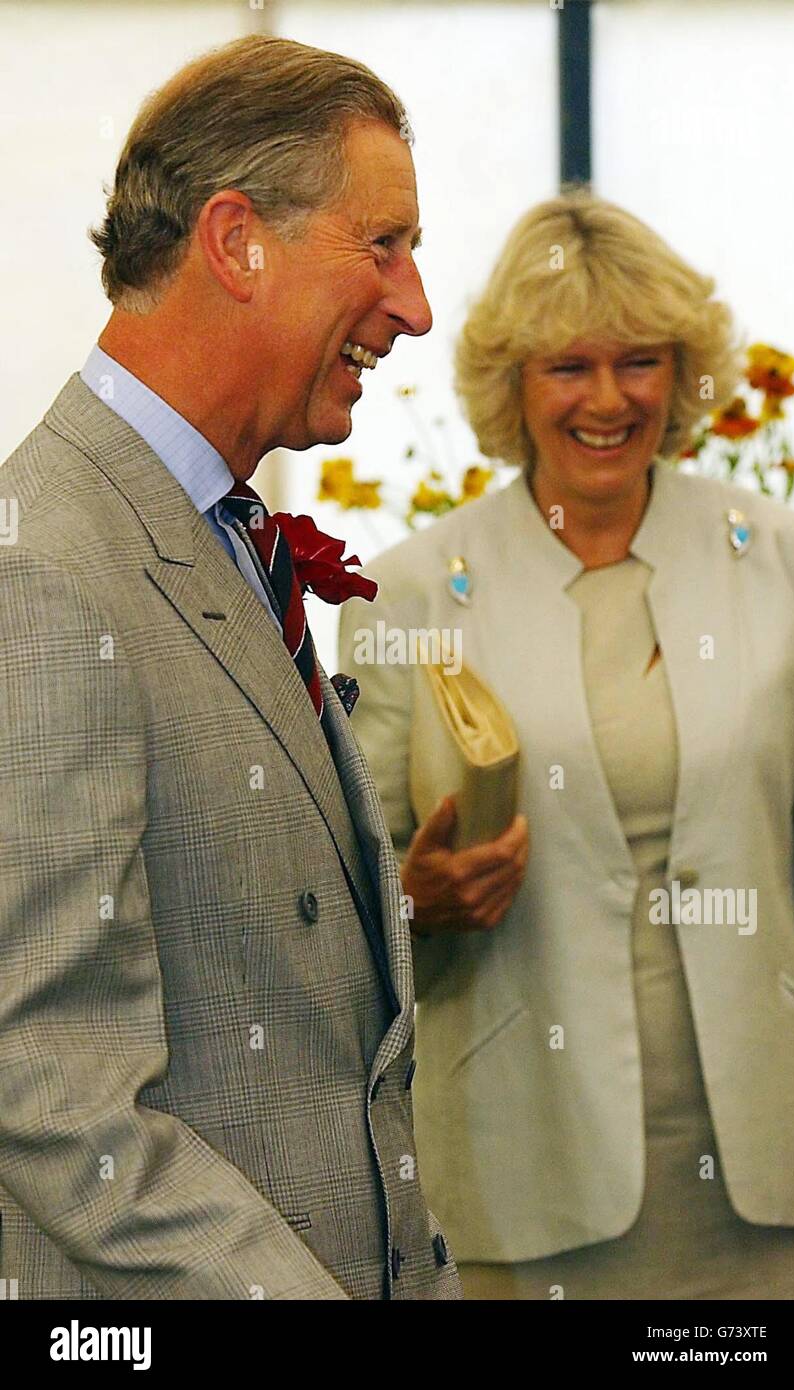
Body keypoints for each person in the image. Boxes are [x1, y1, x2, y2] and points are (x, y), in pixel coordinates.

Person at [0, 34, 461, 1301]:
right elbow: (50, 1089)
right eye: (385, 246)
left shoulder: (213, 525)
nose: (416, 306)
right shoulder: (45, 566)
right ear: (236, 240)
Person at [338, 190, 794, 1299]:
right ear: (512, 384)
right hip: (527, 1162)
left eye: (638, 361)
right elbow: (342, 887)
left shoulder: (781, 555)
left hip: (775, 1158)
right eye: (567, 367)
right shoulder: (410, 588)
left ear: (681, 373)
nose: (607, 399)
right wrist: (416, 896)